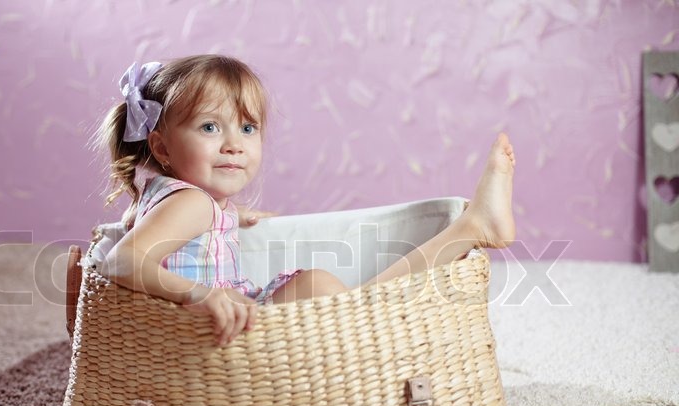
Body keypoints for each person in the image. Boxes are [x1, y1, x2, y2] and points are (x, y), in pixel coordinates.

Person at [98, 55, 516, 346]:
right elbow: (120, 260)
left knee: (351, 298)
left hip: (238, 313)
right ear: (163, 148)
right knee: (362, 302)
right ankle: (470, 229)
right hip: (227, 326)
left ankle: (472, 228)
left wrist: (231, 217)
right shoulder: (190, 205)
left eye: (247, 128)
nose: (233, 145)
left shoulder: (175, 199)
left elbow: (159, 229)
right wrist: (202, 295)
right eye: (209, 127)